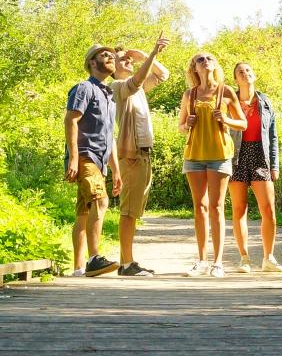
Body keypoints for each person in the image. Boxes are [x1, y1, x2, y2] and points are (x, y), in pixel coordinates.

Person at [178, 51, 246, 277]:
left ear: (215, 65)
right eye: (200, 59)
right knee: (200, 207)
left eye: (209, 59)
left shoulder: (225, 91)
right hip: (194, 155)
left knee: (216, 207)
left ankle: (218, 262)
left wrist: (225, 119)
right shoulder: (190, 94)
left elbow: (242, 123)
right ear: (194, 68)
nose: (205, 61)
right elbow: (180, 127)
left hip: (219, 154)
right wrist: (187, 123)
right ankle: (201, 261)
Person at [111, 33, 171, 277]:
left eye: (128, 58)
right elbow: (135, 82)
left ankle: (129, 261)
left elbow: (162, 75)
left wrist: (144, 55)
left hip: (143, 155)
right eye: (121, 59)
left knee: (134, 210)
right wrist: (154, 51)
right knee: (128, 211)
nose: (127, 61)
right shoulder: (117, 87)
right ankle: (126, 264)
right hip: (132, 155)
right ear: (111, 68)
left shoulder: (136, 89)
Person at [64, 45, 121, 277]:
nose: (110, 58)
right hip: (85, 155)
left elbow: (110, 136)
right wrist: (74, 159)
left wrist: (116, 170)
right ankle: (94, 258)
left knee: (84, 211)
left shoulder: (109, 95)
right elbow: (71, 120)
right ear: (92, 62)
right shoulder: (84, 88)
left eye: (111, 56)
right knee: (100, 200)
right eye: (104, 55)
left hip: (101, 160)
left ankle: (78, 267)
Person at [229, 62, 282, 274]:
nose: (245, 74)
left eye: (248, 71)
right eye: (240, 73)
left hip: (260, 156)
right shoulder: (229, 101)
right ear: (236, 79)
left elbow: (273, 136)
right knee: (239, 209)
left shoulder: (266, 103)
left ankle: (268, 258)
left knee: (268, 210)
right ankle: (244, 259)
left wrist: (275, 165)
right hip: (236, 156)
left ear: (254, 76)